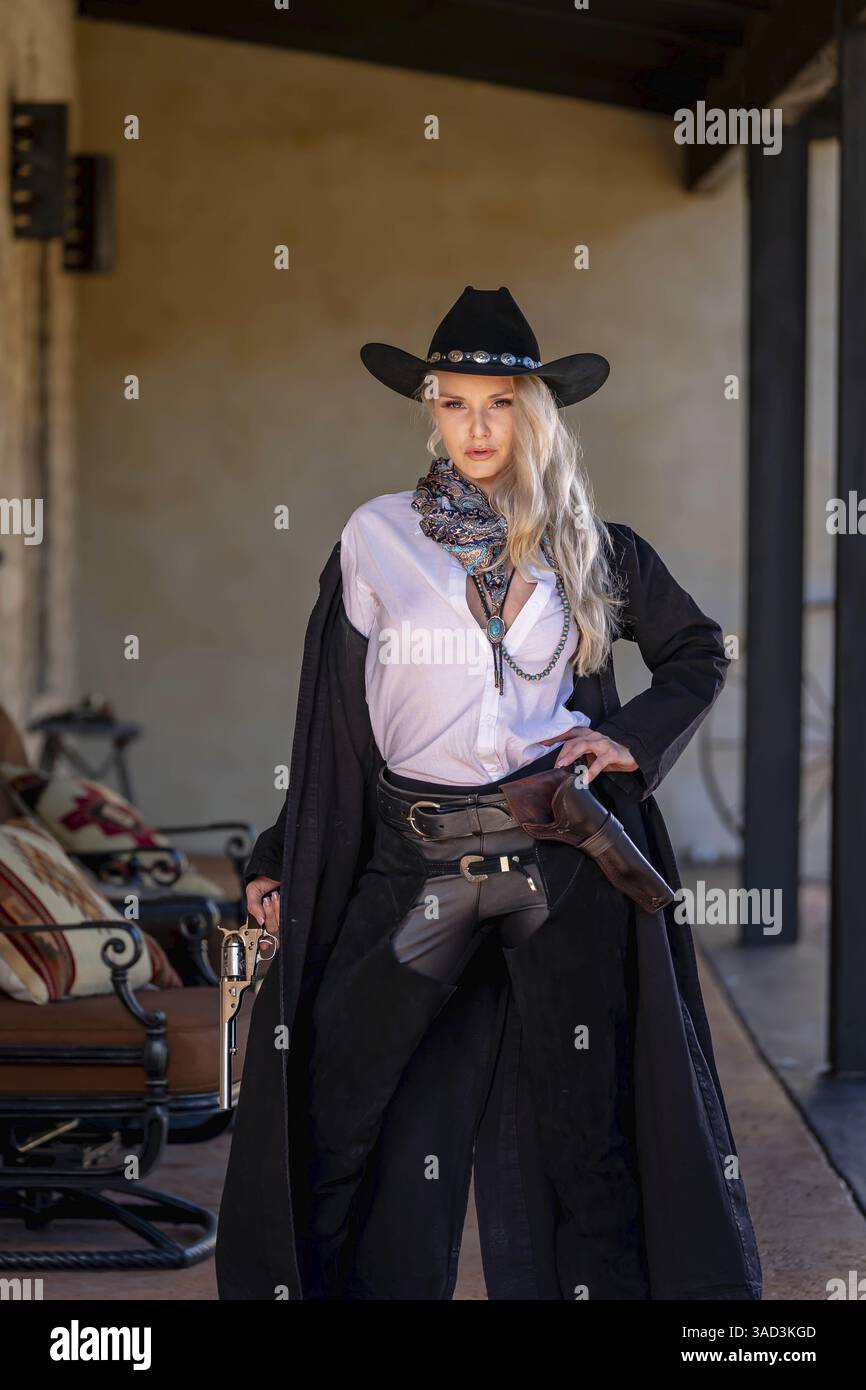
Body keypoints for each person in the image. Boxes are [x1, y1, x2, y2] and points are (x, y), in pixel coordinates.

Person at [216, 286, 762, 1302]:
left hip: (554, 866)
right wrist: (276, 853)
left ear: (532, 413)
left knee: (582, 1131)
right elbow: (338, 726)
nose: (475, 425)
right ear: (428, 408)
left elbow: (695, 653)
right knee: (340, 1100)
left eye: (498, 402)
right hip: (419, 875)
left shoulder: (588, 547)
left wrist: (623, 741)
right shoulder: (374, 541)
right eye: (454, 400)